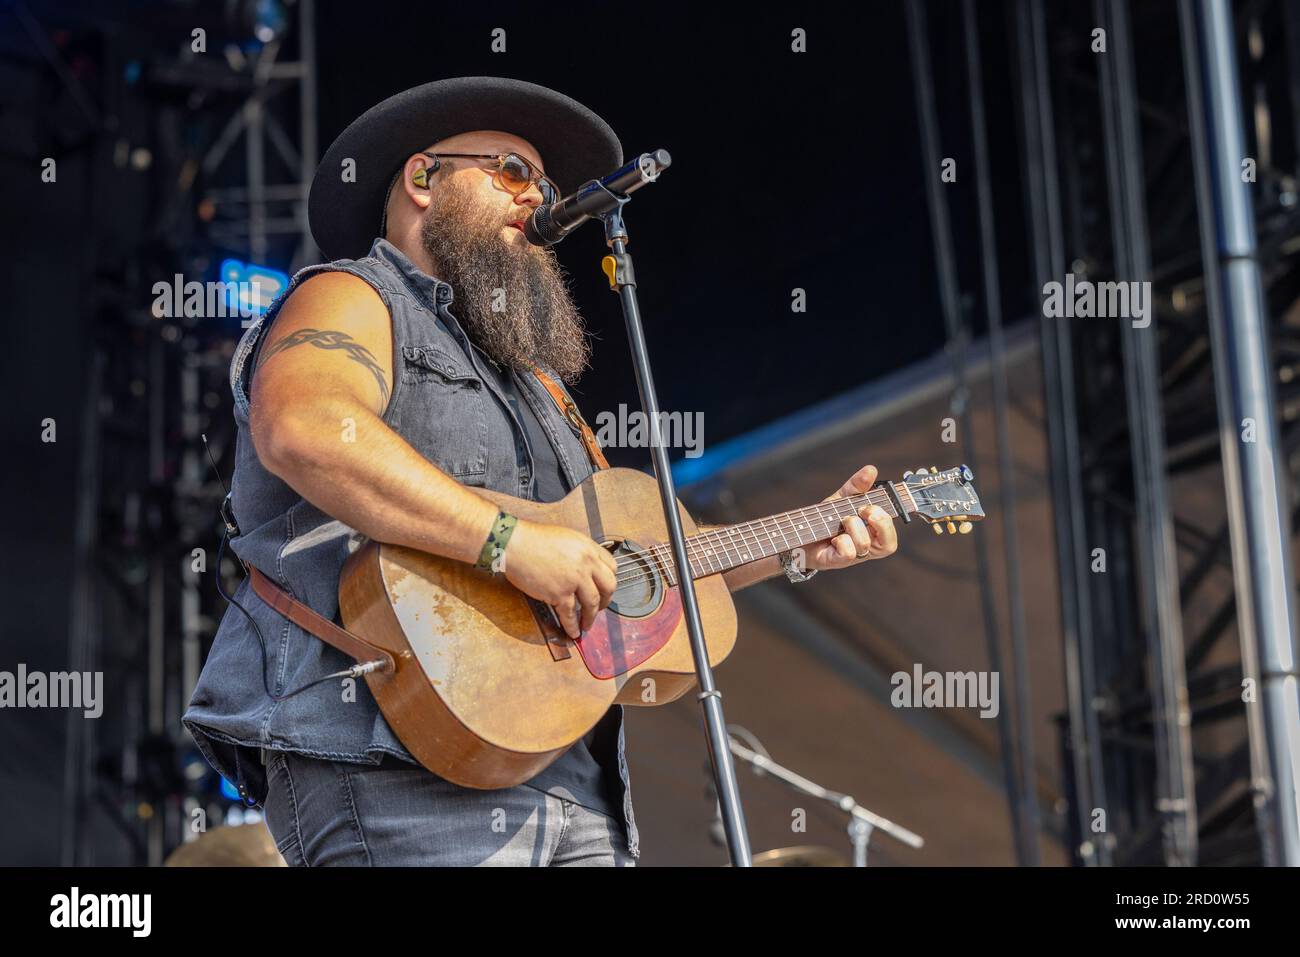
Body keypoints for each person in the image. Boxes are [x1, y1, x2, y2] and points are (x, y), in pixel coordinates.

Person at [183, 76, 898, 866]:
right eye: (512, 172)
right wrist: (506, 542)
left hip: (572, 781)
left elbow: (635, 573)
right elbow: (307, 428)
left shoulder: (544, 390)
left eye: (547, 185)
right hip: (392, 753)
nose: (540, 201)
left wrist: (804, 541)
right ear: (423, 180)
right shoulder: (354, 296)